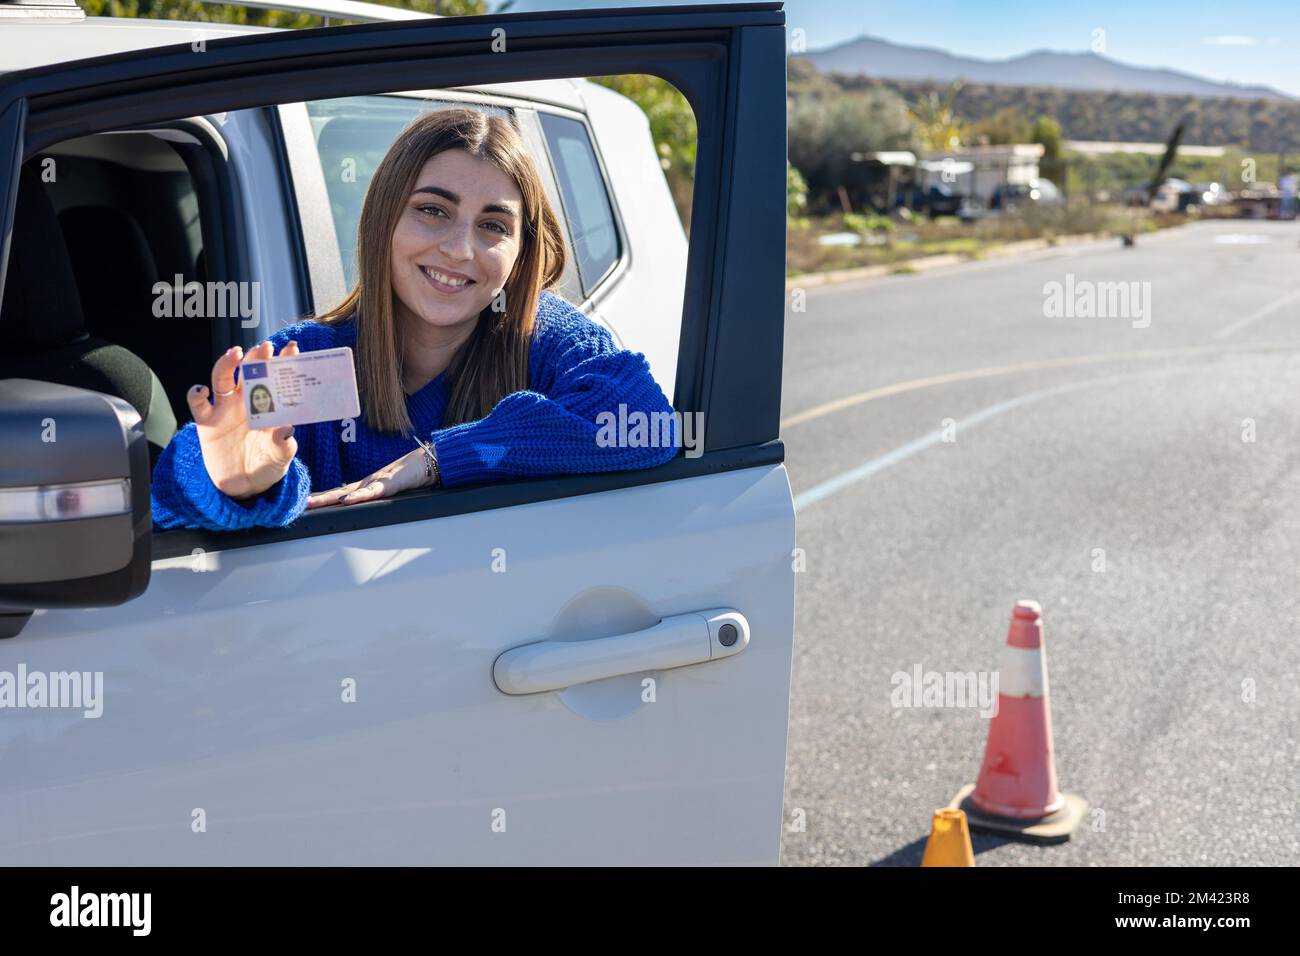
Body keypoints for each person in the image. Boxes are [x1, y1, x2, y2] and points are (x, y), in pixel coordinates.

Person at [151, 107, 680, 532]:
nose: (457, 248)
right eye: (433, 210)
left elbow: (644, 423)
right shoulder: (309, 360)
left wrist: (436, 461)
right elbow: (173, 495)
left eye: (493, 225)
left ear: (522, 250)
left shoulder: (540, 338)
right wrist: (239, 482)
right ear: (384, 218)